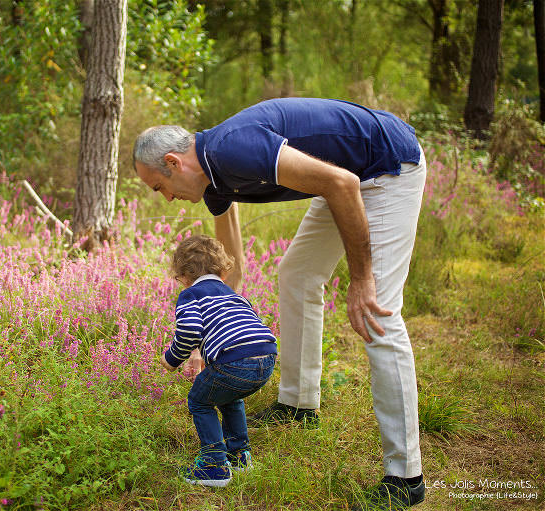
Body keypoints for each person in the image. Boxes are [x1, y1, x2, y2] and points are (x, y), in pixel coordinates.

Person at [134, 98, 426, 509]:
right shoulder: (213, 181)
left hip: (385, 166)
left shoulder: (232, 148)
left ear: (173, 162)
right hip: (344, 177)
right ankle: (299, 403)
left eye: (158, 187)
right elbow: (226, 276)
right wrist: (202, 340)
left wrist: (362, 279)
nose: (165, 198)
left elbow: (341, 183)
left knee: (378, 310)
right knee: (298, 274)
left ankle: (406, 475)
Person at [159, 234, 277, 488]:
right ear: (222, 271)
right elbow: (231, 328)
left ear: (186, 277)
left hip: (234, 362)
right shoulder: (235, 295)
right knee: (229, 396)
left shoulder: (191, 295)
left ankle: (214, 466)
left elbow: (190, 330)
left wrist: (172, 358)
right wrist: (202, 352)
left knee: (200, 401)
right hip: (266, 357)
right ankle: (239, 456)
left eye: (178, 279)